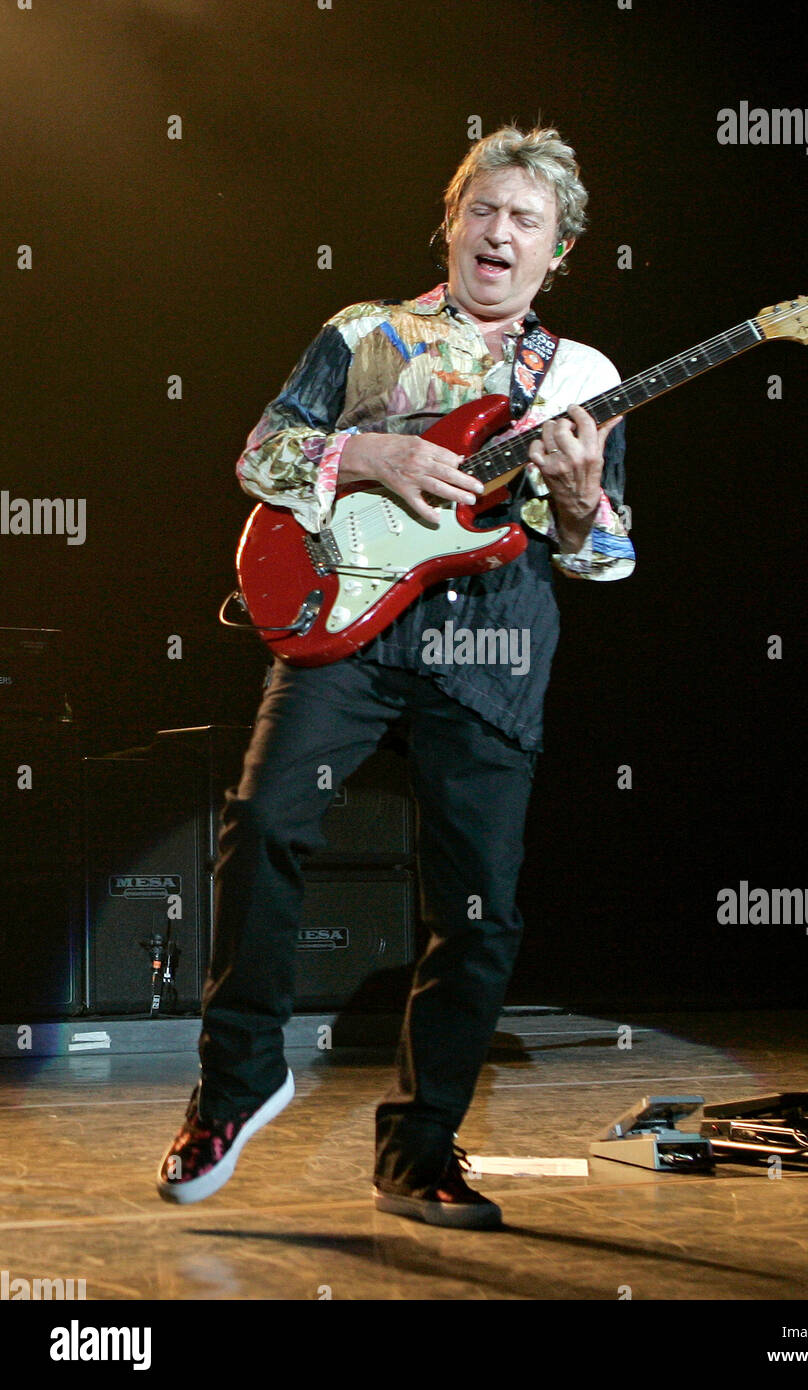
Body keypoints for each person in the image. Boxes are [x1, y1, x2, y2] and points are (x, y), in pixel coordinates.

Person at [156, 125, 635, 1229]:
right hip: (353, 620)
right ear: (452, 219)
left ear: (557, 250)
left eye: (526, 221)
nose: (499, 234)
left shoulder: (582, 379)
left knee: (479, 908)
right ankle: (236, 1086)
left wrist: (572, 501)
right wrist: (369, 454)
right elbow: (262, 453)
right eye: (483, 210)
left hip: (494, 643)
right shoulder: (365, 332)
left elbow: (607, 554)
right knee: (264, 822)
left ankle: (420, 1148)